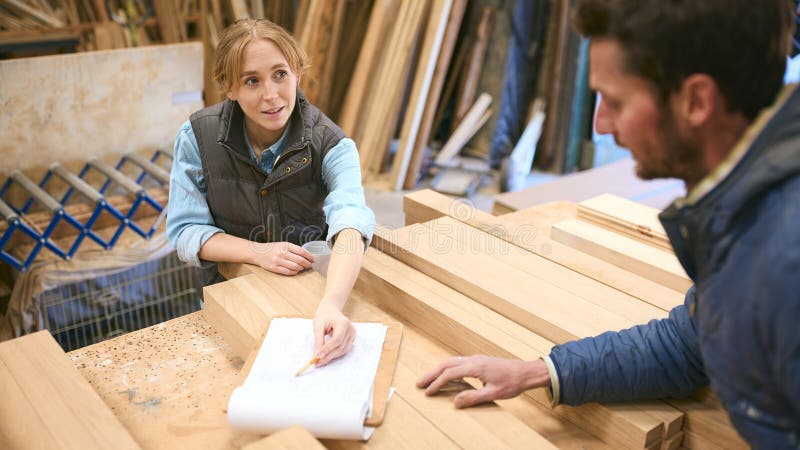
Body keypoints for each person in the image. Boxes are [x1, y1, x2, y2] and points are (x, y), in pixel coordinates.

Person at [417, 0, 800, 447]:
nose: (601, 125)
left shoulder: (782, 265)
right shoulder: (746, 217)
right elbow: (688, 343)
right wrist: (538, 373)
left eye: (615, 101)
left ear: (697, 100)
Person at [167, 18, 375, 367]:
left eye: (280, 74)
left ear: (296, 74)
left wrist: (332, 304)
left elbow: (351, 221)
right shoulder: (196, 137)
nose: (271, 95)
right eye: (252, 81)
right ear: (229, 87)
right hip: (231, 297)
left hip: (306, 300)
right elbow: (186, 233)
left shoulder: (331, 143)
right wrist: (257, 252)